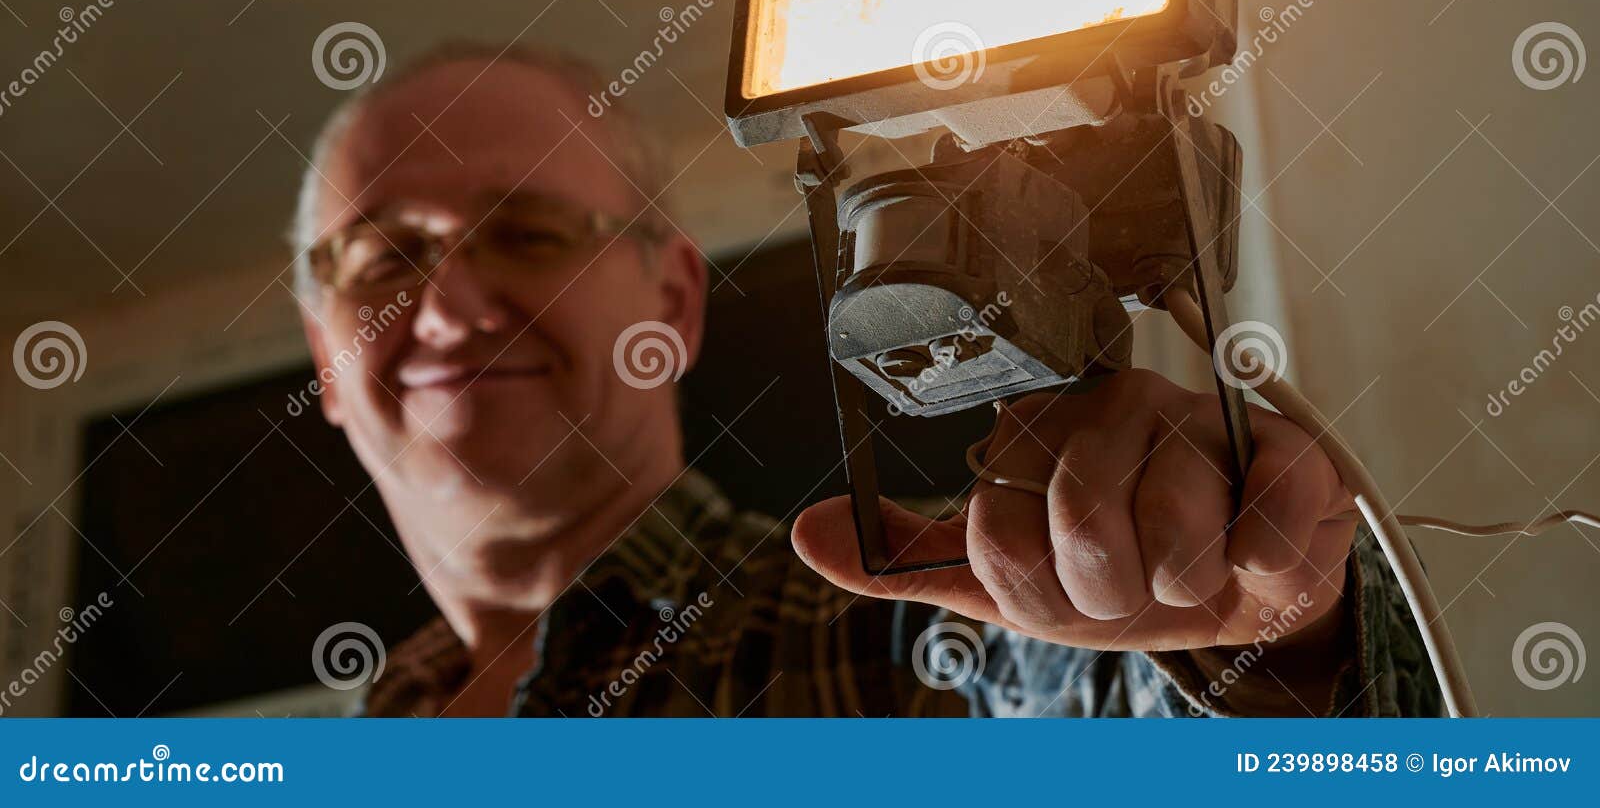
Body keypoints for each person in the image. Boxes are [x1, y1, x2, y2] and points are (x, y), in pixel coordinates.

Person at [290, 42, 1440, 717]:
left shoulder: (901, 625)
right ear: (323, 359)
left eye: (529, 231)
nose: (444, 304)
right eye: (386, 253)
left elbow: (1079, 690)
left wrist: (1269, 649)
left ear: (672, 302)